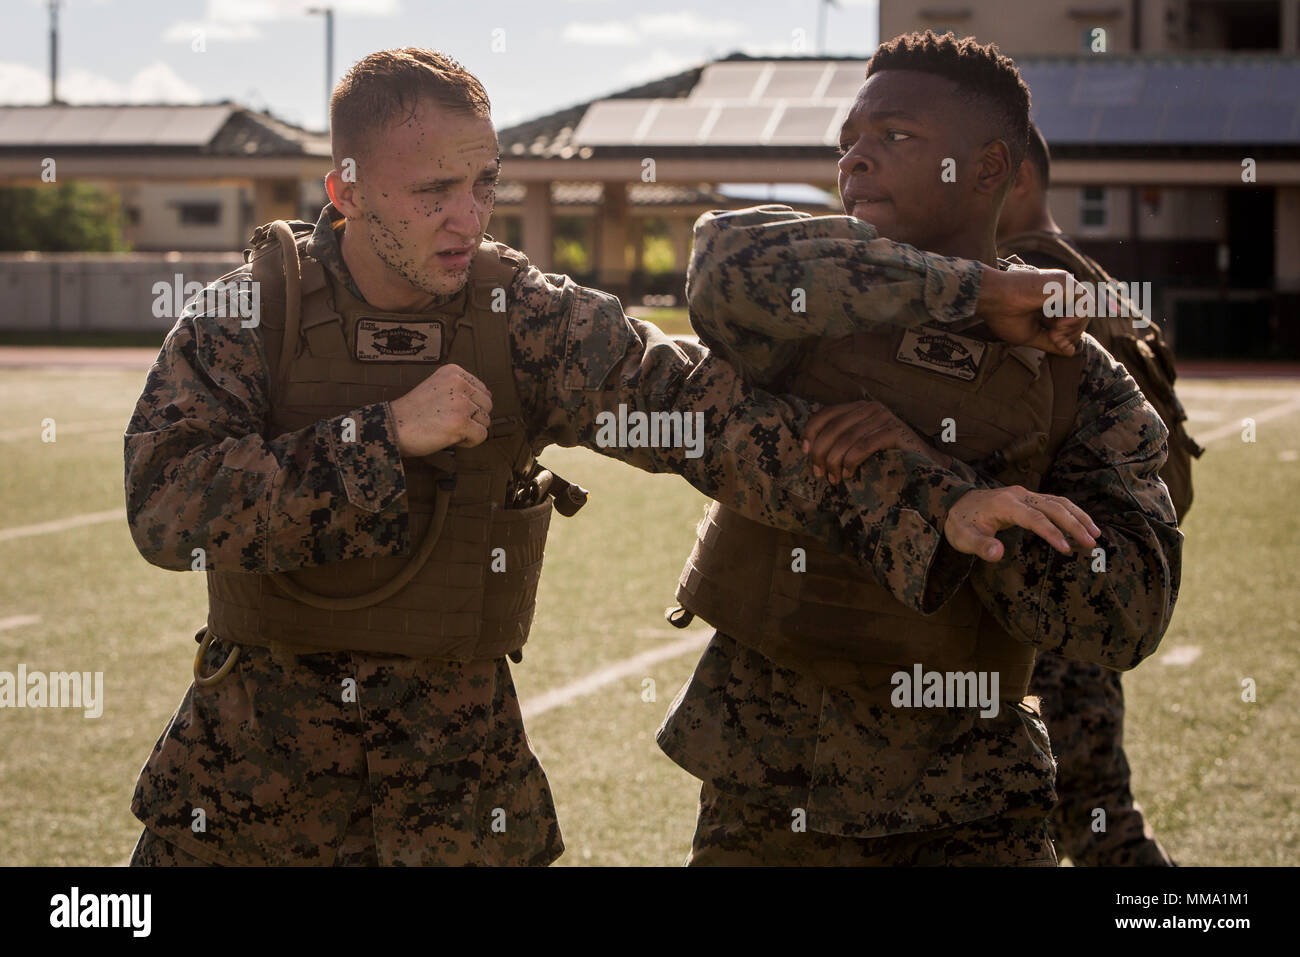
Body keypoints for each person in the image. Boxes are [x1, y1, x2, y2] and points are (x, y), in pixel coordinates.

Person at [123, 47, 1088, 866]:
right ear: (346, 188)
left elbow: (705, 417)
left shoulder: (526, 319)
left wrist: (935, 505)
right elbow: (165, 507)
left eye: (485, 183)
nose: (470, 217)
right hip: (243, 790)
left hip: (458, 803)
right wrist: (381, 438)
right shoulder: (256, 312)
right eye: (433, 192)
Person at [657, 31, 1182, 866]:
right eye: (849, 144)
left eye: (896, 137)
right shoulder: (812, 303)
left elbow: (1129, 613)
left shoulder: (1073, 375)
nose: (856, 161)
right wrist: (971, 292)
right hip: (762, 798)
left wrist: (947, 492)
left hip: (966, 810)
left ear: (987, 168)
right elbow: (721, 262)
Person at [997, 122, 1198, 866]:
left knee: (1089, 816)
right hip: (1093, 580)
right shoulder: (1093, 279)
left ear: (1015, 177)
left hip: (1048, 595)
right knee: (1086, 810)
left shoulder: (1025, 280)